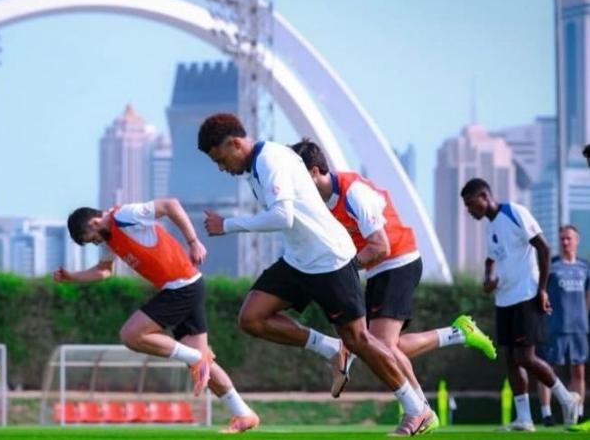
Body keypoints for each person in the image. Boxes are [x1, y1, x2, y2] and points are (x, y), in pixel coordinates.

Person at [197, 113, 437, 436]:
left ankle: (416, 409)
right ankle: (330, 348)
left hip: (330, 259)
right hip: (299, 260)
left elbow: (283, 215)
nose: (221, 168)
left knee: (360, 339)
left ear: (234, 143)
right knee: (251, 318)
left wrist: (227, 225)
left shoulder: (271, 160)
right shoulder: (255, 168)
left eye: (220, 159)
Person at [289, 138, 496, 407]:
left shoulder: (353, 192)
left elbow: (381, 247)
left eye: (297, 177)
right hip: (379, 269)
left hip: (397, 260)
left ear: (315, 173)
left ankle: (420, 410)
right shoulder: (321, 203)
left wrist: (342, 272)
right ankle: (457, 334)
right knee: (380, 346)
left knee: (381, 346)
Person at [58, 198, 259, 434]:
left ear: (93, 222)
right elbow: (104, 271)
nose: (95, 242)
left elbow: (170, 205)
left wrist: (193, 242)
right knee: (204, 367)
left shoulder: (123, 216)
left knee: (131, 335)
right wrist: (72, 277)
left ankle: (196, 357)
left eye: (91, 238)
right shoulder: (109, 240)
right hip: (183, 287)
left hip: (182, 287)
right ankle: (244, 413)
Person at [460, 179, 580, 431]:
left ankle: (567, 398)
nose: (470, 212)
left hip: (527, 294)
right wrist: (488, 278)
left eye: (471, 205)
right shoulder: (489, 225)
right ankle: (524, 419)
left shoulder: (514, 212)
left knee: (526, 356)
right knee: (511, 360)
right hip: (504, 298)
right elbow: (491, 258)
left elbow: (544, 248)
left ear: (484, 196)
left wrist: (542, 290)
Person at [538, 225, 590, 426]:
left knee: (578, 371)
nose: (565, 242)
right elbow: (541, 294)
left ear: (577, 240)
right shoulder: (551, 266)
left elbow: (587, 297)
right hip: (554, 327)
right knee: (547, 370)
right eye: (562, 239)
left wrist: (582, 317)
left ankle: (576, 414)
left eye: (569, 238)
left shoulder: (585, 267)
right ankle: (546, 414)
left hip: (579, 329)